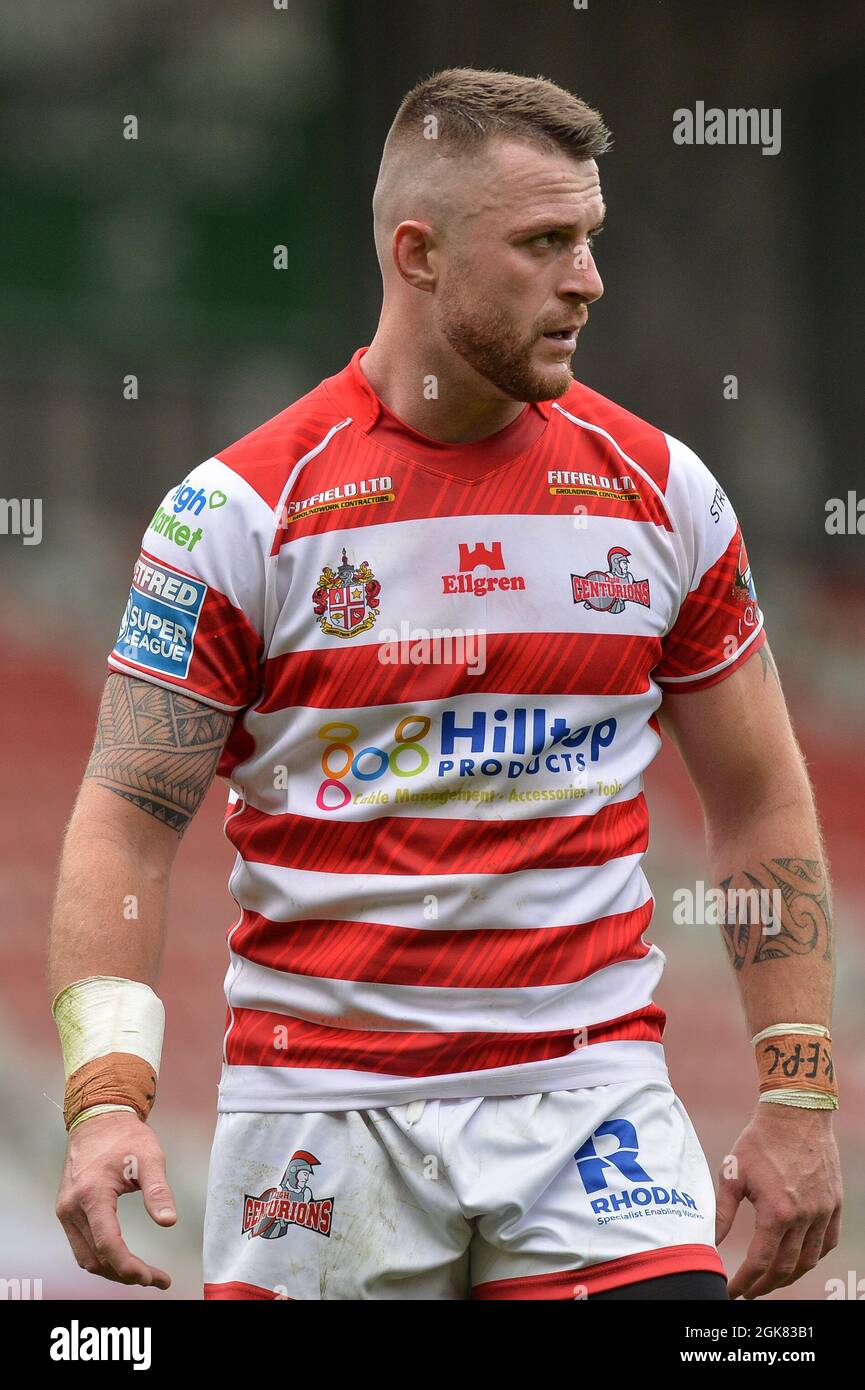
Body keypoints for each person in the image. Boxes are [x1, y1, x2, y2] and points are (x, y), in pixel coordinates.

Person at [49, 67, 841, 1302]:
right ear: (416, 254)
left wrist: (795, 1094)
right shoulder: (236, 514)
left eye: (588, 239)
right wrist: (107, 1098)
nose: (586, 278)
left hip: (590, 1108)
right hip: (323, 1123)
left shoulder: (662, 492)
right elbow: (124, 827)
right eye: (543, 243)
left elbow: (759, 806)